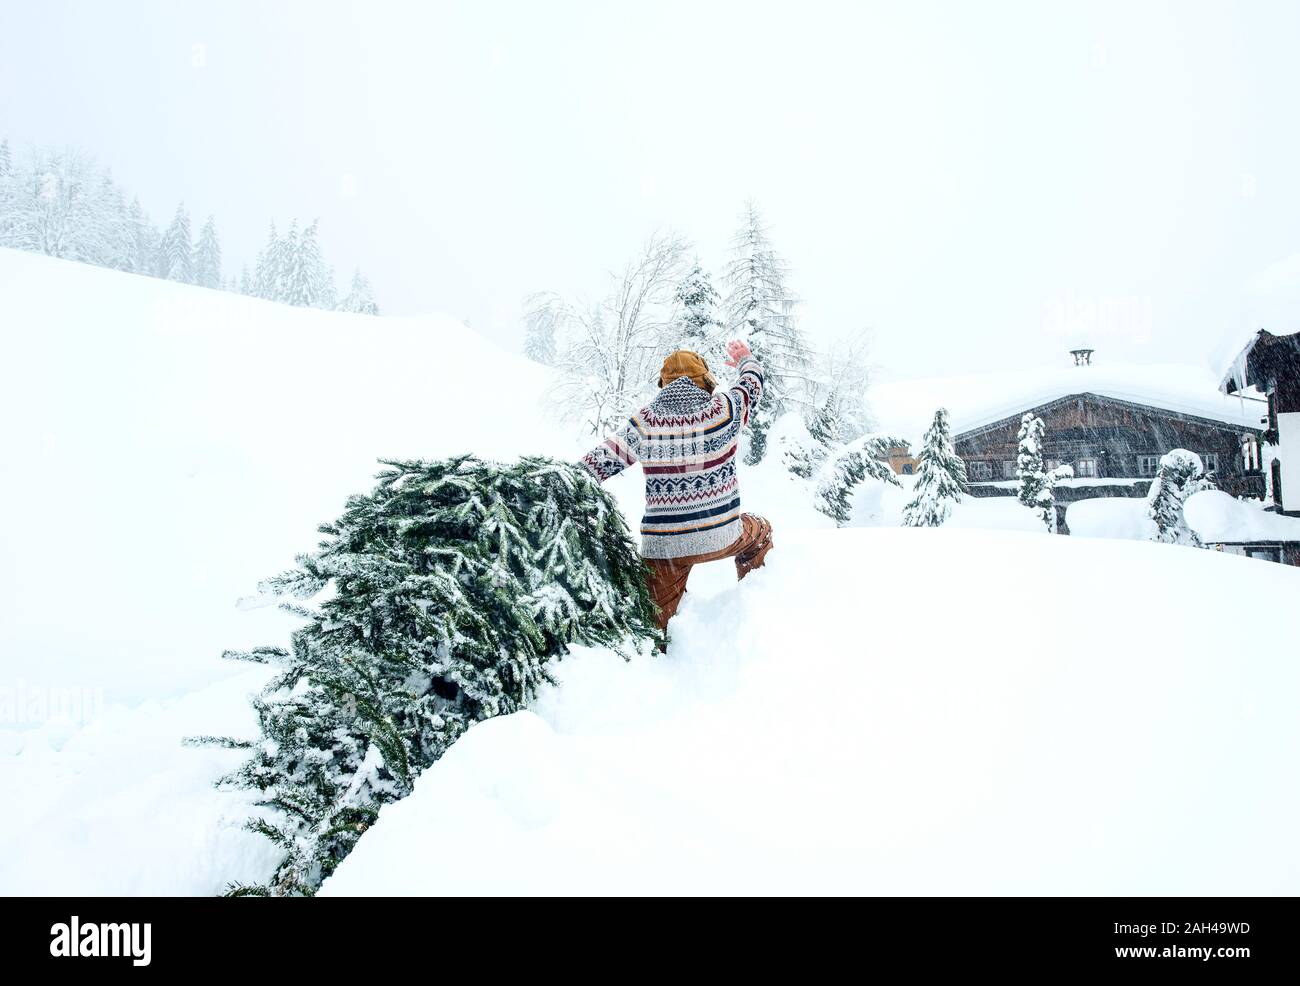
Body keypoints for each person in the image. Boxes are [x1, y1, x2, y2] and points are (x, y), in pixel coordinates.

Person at [579, 339, 774, 638]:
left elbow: (595, 465)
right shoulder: (724, 410)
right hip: (722, 535)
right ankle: (758, 609)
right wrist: (745, 357)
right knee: (760, 531)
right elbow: (751, 384)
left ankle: (657, 658)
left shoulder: (645, 422)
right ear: (705, 381)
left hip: (665, 549)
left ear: (663, 384)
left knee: (654, 630)